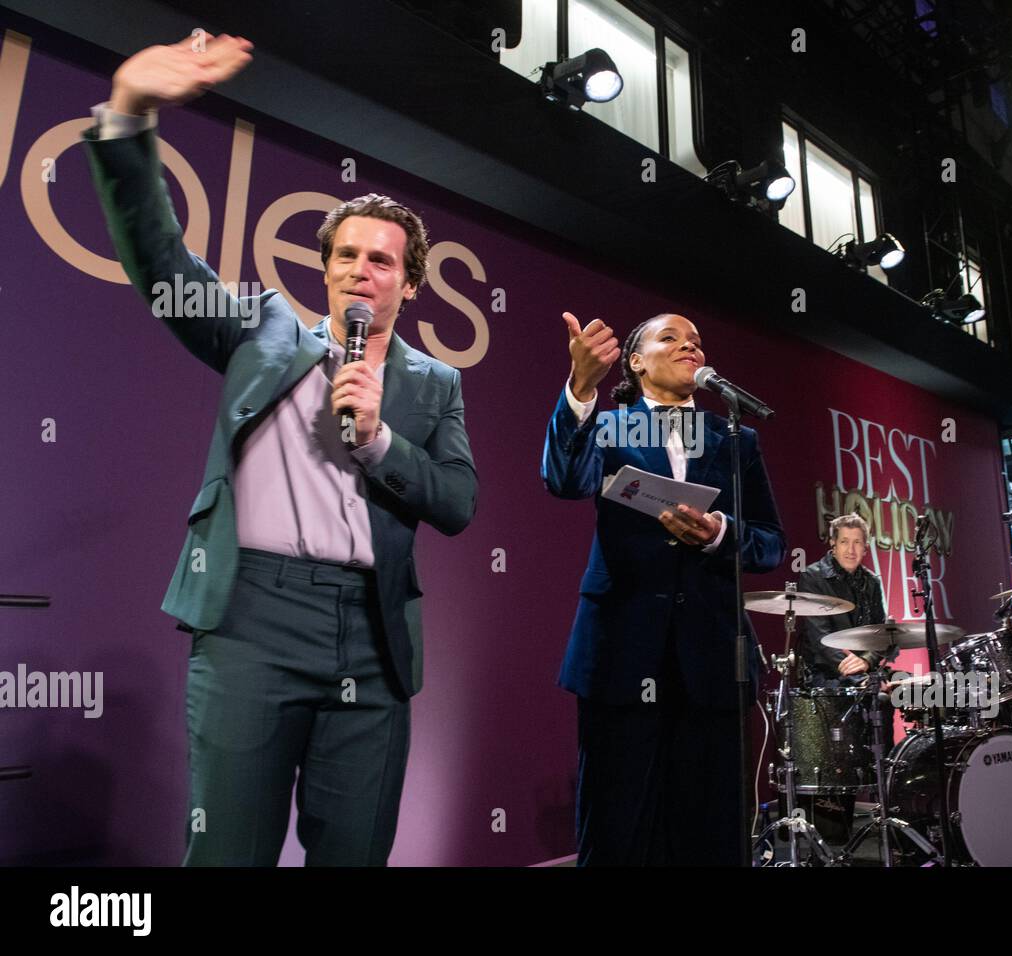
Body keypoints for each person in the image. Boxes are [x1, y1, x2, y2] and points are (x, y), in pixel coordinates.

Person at [82, 33, 477, 865]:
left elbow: (456, 503)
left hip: (372, 639)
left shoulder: (434, 384)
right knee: (228, 852)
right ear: (325, 269)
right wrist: (128, 115)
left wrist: (378, 442)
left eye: (380, 260)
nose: (359, 271)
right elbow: (160, 263)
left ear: (409, 283)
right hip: (252, 622)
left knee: (354, 854)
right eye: (344, 256)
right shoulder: (259, 330)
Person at [542, 310, 785, 865]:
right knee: (615, 827)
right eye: (669, 338)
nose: (689, 346)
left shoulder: (736, 439)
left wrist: (719, 531)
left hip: (713, 658)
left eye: (697, 340)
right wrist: (580, 388)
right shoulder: (609, 424)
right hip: (620, 654)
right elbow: (563, 480)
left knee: (712, 832)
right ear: (635, 362)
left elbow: (771, 543)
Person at [796, 514, 889, 687]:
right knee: (873, 692)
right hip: (826, 670)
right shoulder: (813, 577)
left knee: (912, 689)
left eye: (857, 543)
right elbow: (820, 637)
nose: (851, 550)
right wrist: (856, 671)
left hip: (864, 666)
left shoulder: (872, 582)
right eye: (844, 542)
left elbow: (880, 634)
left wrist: (867, 660)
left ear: (865, 548)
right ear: (833, 544)